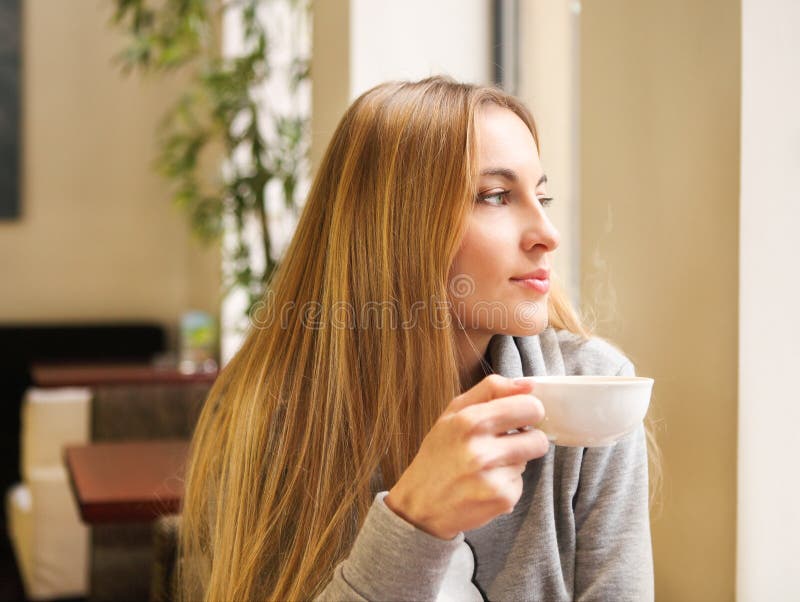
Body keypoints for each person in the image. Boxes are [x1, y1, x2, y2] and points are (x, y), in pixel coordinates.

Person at [177, 76, 656, 601]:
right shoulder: (276, 422)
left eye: (541, 195)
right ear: (394, 228)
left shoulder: (595, 391)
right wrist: (415, 524)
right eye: (496, 196)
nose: (547, 232)